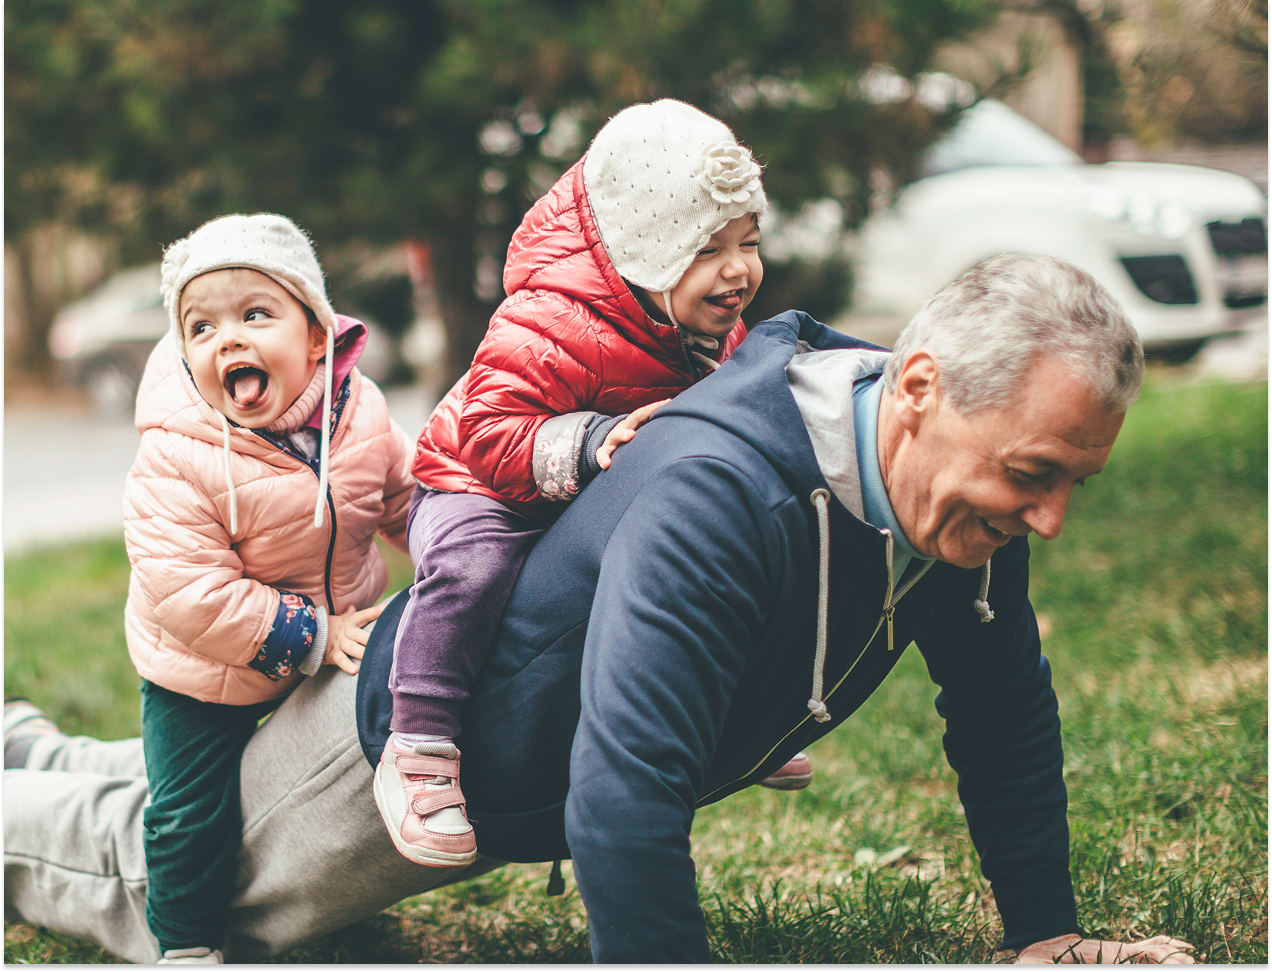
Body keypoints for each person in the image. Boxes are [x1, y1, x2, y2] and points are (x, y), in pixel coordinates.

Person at [4, 255, 1195, 965]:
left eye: (1071, 485)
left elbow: (1000, 707)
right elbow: (623, 795)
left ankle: (24, 743)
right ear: (922, 392)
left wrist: (1045, 934)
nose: (1048, 520)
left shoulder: (951, 480)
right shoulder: (724, 492)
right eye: (1035, 477)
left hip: (470, 758)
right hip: (382, 760)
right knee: (149, 872)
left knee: (163, 793)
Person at [378, 97, 805, 868]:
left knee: (706, 558)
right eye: (708, 248)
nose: (739, 268)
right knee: (472, 569)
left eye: (748, 239)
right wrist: (592, 441)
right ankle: (419, 743)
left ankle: (733, 715)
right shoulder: (544, 320)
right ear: (643, 250)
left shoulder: (703, 325)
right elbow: (487, 432)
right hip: (481, 482)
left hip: (591, 485)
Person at [117, 213, 416, 962]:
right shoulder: (179, 454)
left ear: (317, 334)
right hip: (201, 668)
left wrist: (457, 547)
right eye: (201, 327)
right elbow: (188, 591)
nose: (229, 340)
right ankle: (186, 944)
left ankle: (318, 897)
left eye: (256, 314)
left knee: (321, 781)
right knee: (189, 811)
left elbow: (403, 499)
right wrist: (314, 635)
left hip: (326, 632)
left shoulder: (362, 413)